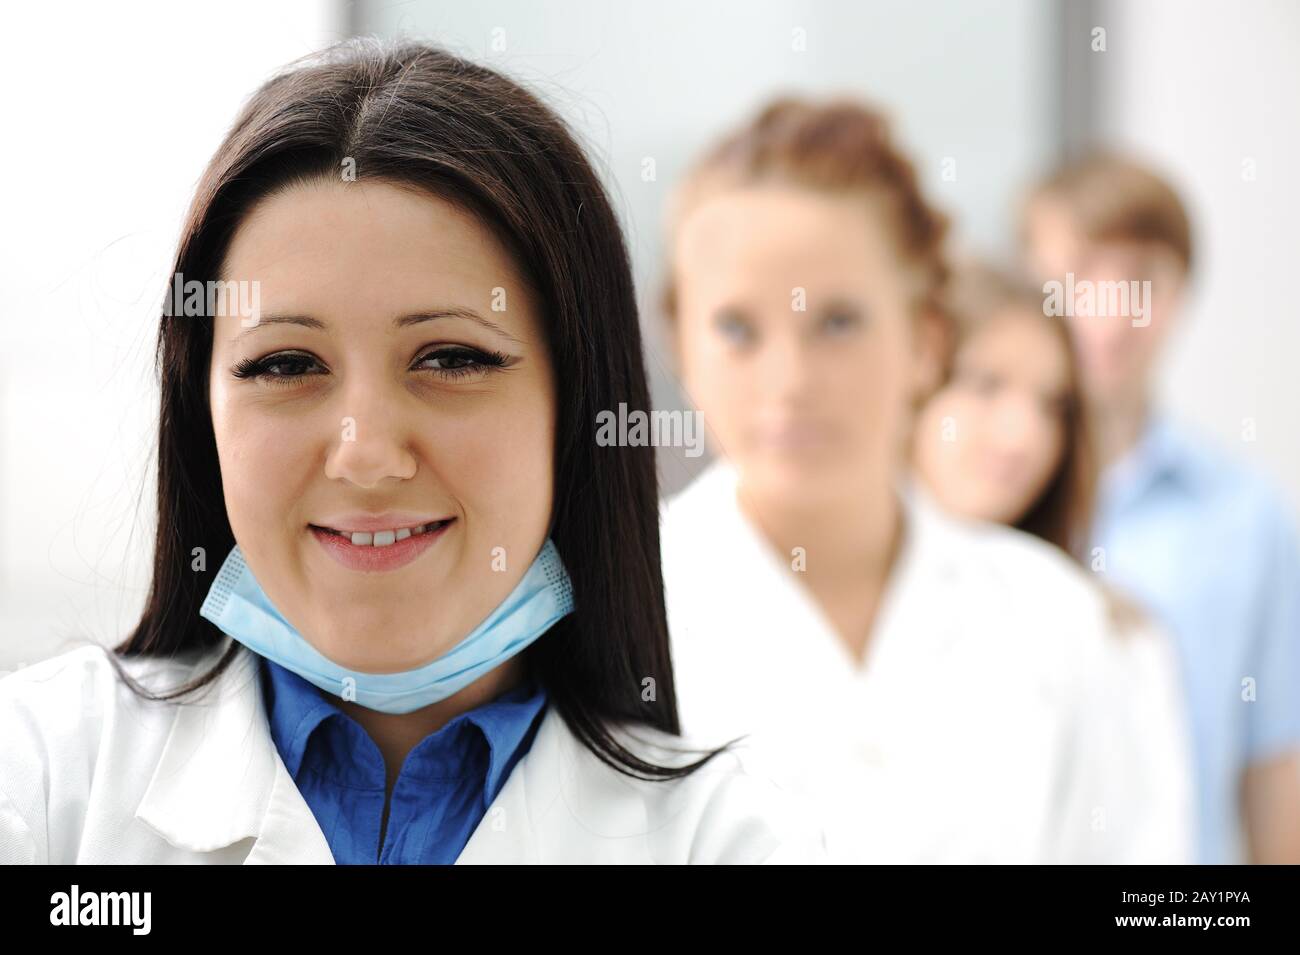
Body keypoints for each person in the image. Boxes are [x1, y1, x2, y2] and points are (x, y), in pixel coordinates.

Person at [0, 39, 824, 865]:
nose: (366, 455)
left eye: (452, 359)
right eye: (286, 365)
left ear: (573, 408)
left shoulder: (731, 843)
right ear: (200, 413)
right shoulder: (37, 780)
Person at [657, 96, 1190, 862]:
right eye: (737, 328)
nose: (789, 380)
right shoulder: (610, 627)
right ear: (681, 345)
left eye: (838, 321)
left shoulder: (1058, 623)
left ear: (926, 340)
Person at [1021, 152, 1300, 864]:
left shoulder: (1244, 513)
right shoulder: (963, 500)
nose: (1113, 316)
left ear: (1183, 294)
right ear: (1029, 282)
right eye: (1081, 274)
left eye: (1143, 281)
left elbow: (1274, 765)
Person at [911, 261, 1195, 856]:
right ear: (909, 378)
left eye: (1053, 406)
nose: (1023, 436)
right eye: (985, 384)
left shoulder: (1117, 634)